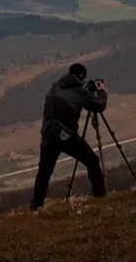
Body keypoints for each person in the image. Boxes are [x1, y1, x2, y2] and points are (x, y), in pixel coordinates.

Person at [29, 62, 109, 210]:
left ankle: (35, 205)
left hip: (47, 134)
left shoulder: (54, 87)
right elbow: (99, 105)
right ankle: (100, 197)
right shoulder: (79, 91)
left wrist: (85, 91)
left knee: (44, 172)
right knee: (92, 161)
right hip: (65, 136)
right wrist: (101, 91)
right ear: (81, 77)